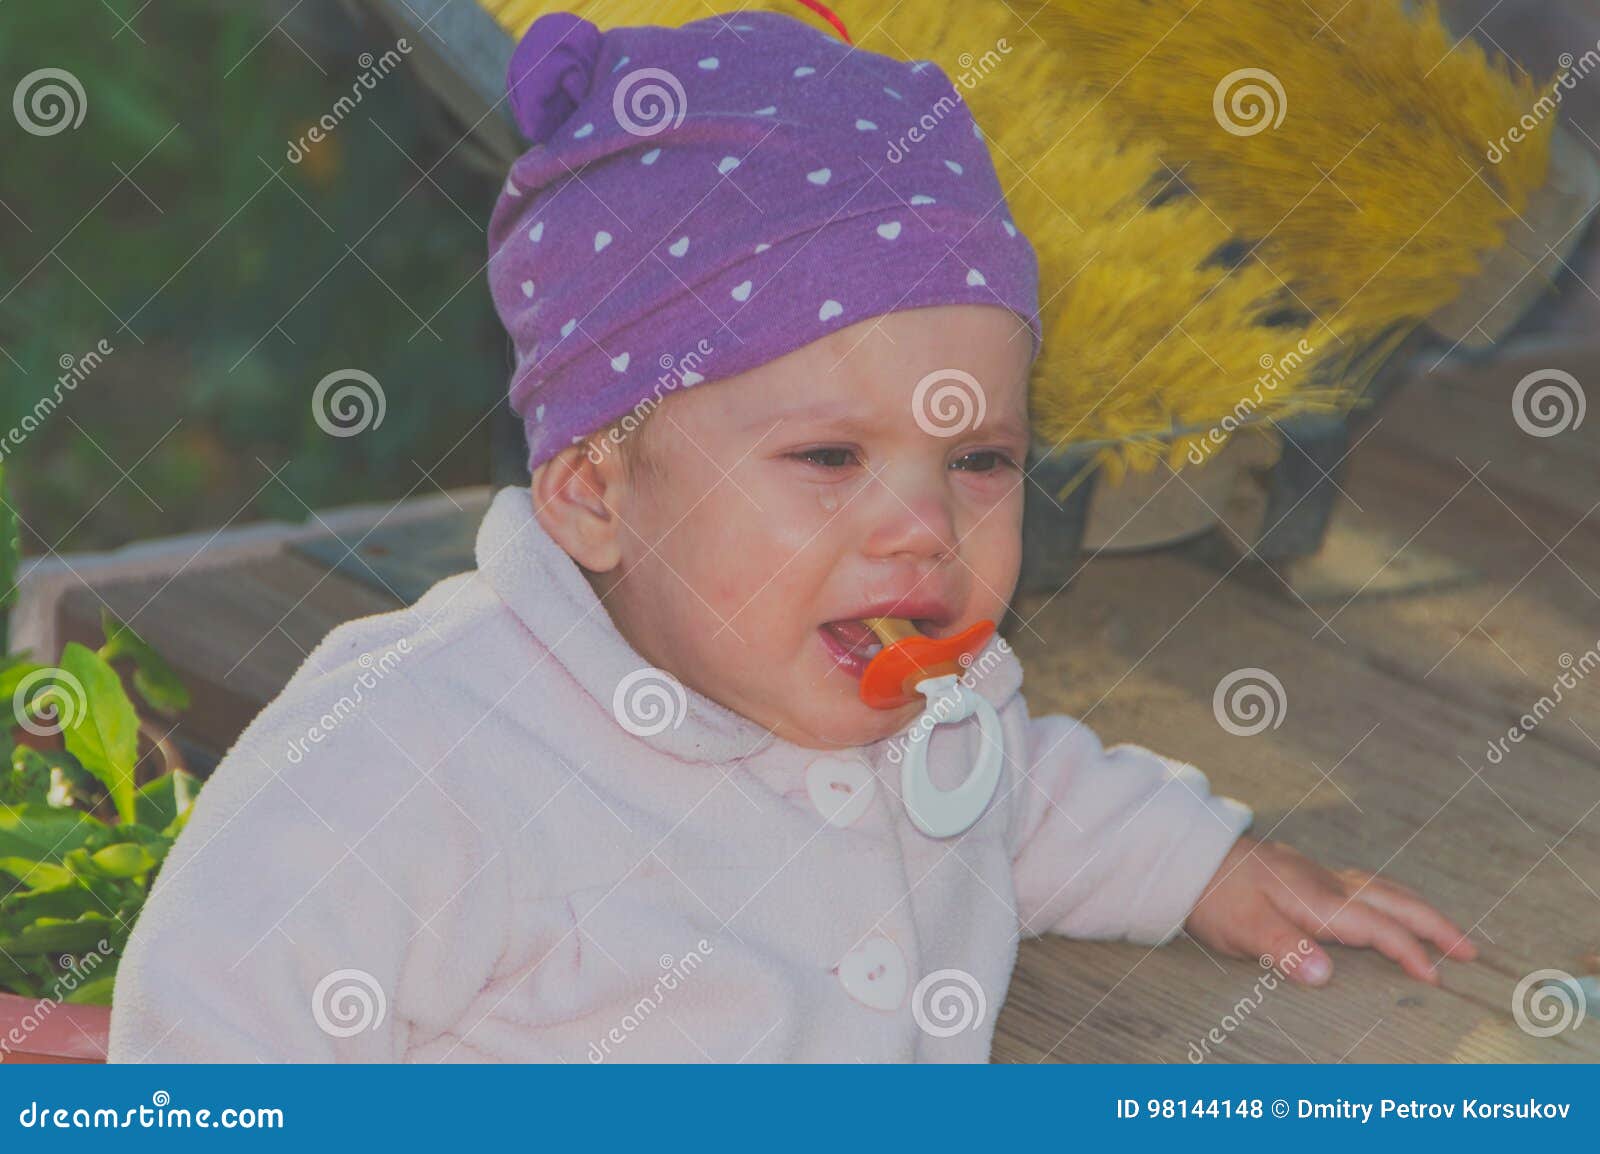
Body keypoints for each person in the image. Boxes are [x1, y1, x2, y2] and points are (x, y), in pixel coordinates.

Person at [107, 8, 1475, 1063]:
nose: (925, 526)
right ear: (595, 491)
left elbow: (1013, 794)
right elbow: (217, 1018)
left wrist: (1209, 866)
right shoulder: (426, 754)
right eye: (830, 457)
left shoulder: (923, 710)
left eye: (981, 458)